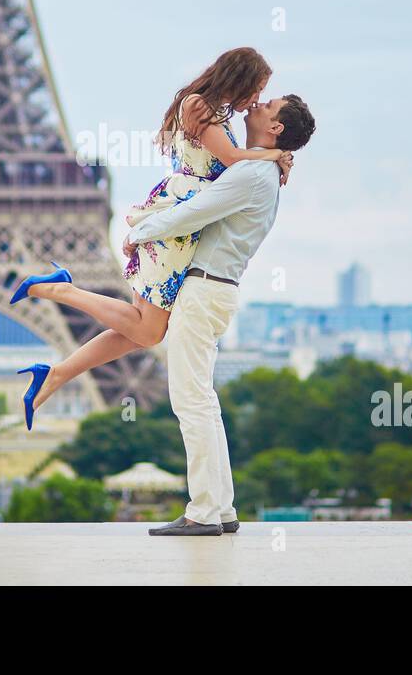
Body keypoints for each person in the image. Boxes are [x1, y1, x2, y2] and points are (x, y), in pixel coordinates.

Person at [9, 48, 292, 430]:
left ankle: (56, 373)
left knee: (140, 330)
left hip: (182, 225)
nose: (256, 98)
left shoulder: (207, 109)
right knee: (147, 330)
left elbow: (235, 162)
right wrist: (275, 153)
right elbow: (232, 161)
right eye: (257, 87)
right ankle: (60, 292)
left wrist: (272, 155)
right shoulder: (199, 105)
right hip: (175, 226)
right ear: (239, 77)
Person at [136, 93, 316, 535]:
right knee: (204, 403)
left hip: (203, 289)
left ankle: (202, 511)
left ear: (276, 128)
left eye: (266, 105)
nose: (255, 105)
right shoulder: (263, 169)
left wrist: (140, 231)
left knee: (191, 402)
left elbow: (194, 212)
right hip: (216, 289)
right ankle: (222, 508)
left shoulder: (254, 172)